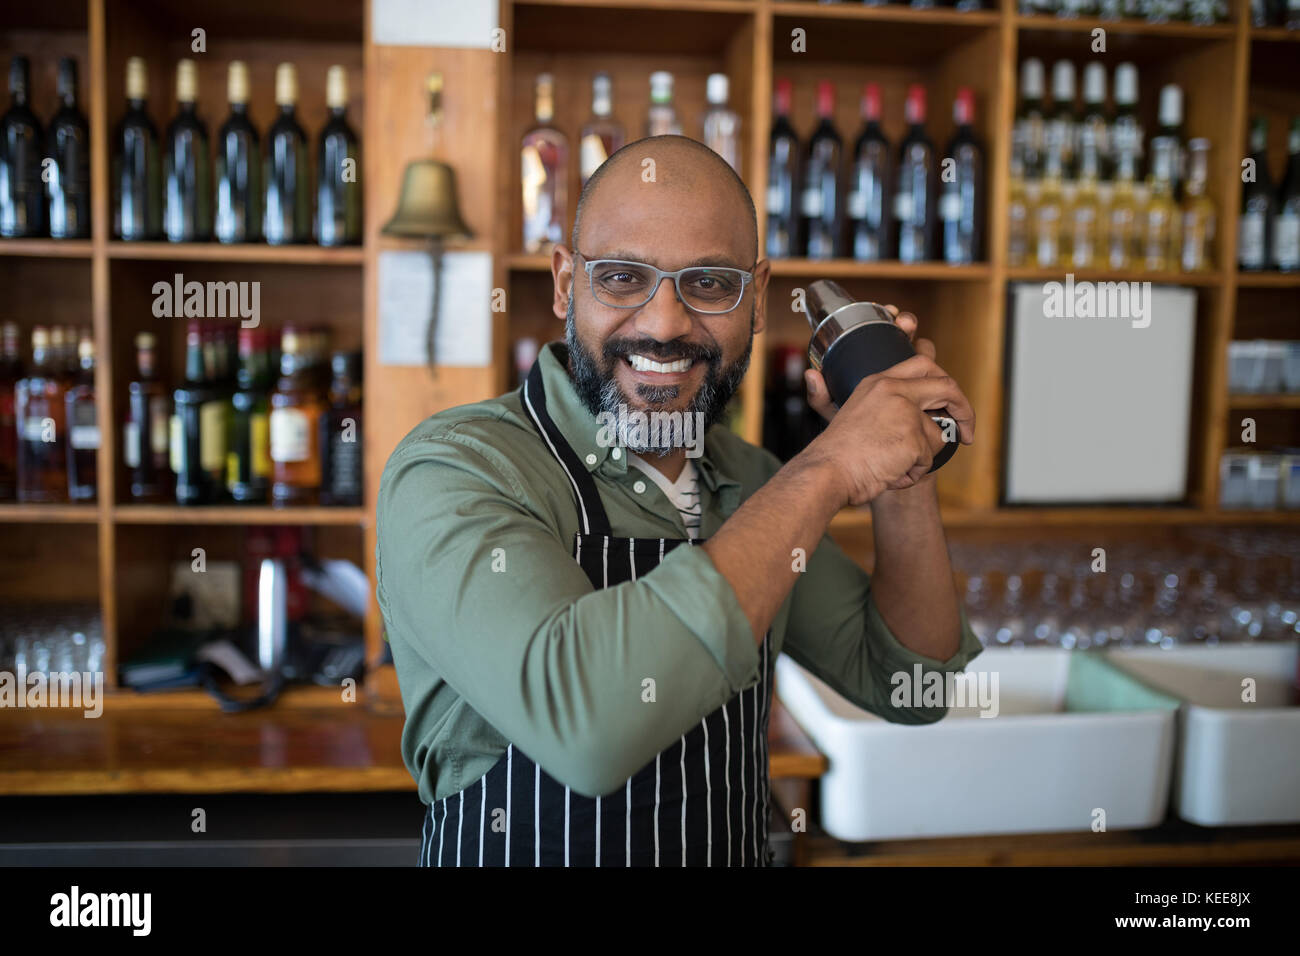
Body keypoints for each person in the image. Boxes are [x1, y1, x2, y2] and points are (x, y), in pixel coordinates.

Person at [377, 135, 982, 867]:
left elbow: (908, 686)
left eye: (709, 284)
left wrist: (901, 463)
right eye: (623, 277)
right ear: (565, 284)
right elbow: (589, 724)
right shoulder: (459, 470)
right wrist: (829, 467)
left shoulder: (750, 481)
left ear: (757, 298)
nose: (664, 324)